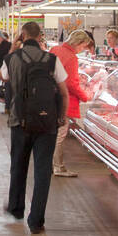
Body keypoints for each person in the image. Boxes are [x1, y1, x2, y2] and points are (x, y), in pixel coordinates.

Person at [1, 21, 69, 234]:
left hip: (19, 121)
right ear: (40, 37)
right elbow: (64, 92)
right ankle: (36, 221)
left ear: (22, 35)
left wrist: (13, 47)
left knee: (18, 166)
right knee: (42, 171)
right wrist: (62, 117)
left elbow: (3, 76)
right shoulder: (52, 60)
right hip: (46, 123)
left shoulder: (12, 58)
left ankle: (16, 208)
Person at [50, 29, 93, 177]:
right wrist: (85, 96)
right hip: (63, 100)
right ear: (78, 43)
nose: (82, 50)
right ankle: (58, 167)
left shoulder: (55, 49)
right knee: (60, 134)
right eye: (83, 47)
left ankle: (49, 164)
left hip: (49, 96)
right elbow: (71, 84)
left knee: (52, 133)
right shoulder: (72, 57)